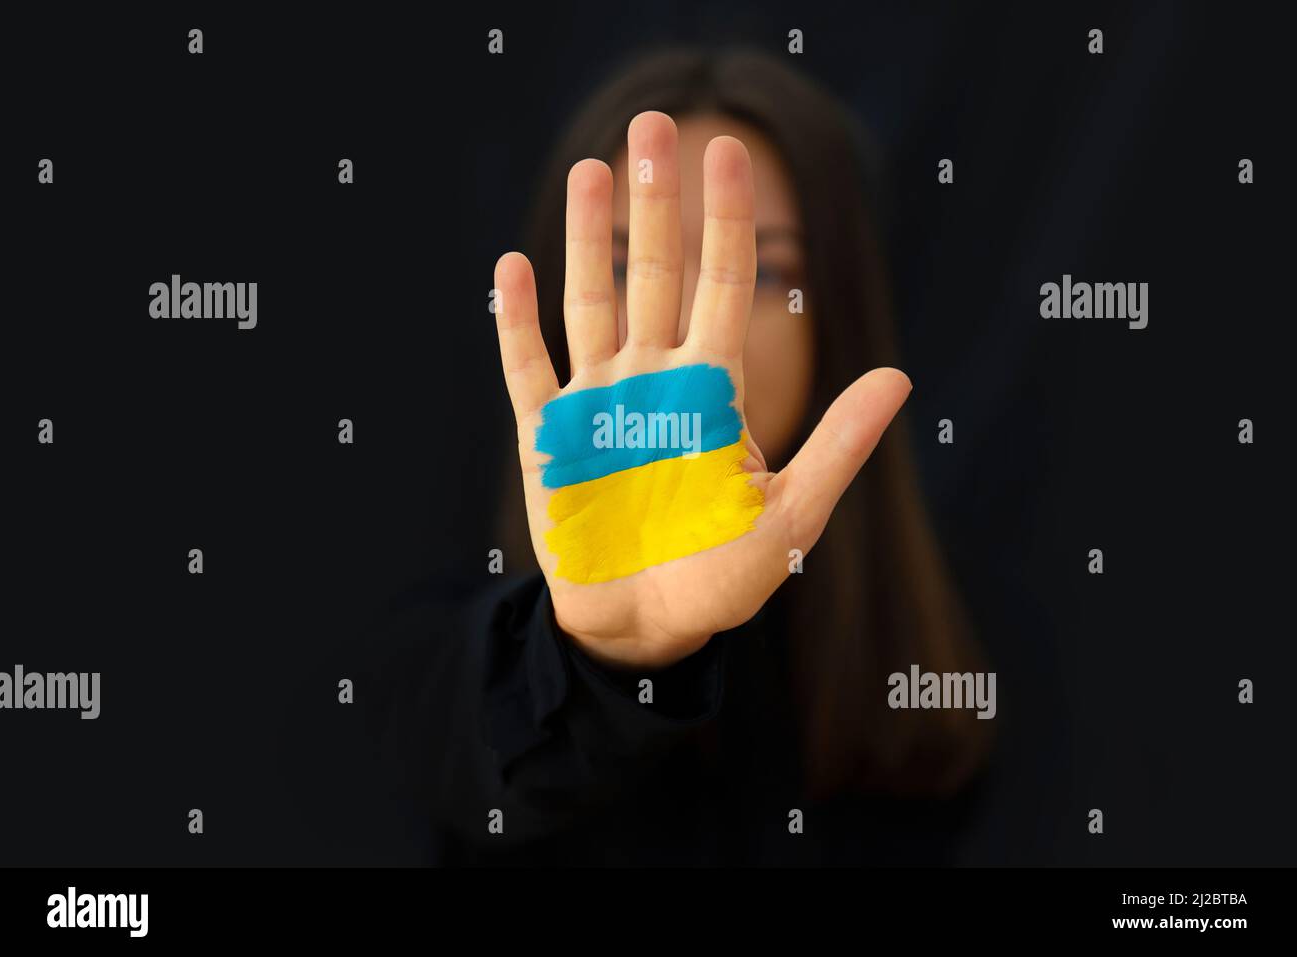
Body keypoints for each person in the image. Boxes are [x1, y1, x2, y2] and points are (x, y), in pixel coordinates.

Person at [342, 47, 993, 865]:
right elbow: (465, 736)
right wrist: (609, 652)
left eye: (763, 270)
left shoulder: (965, 674)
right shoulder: (424, 637)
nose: (686, 323)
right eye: (622, 264)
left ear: (836, 322)